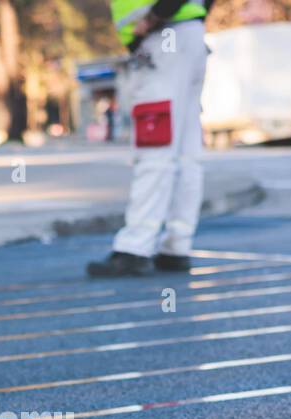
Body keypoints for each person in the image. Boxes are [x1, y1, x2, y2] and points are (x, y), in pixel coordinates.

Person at [88, 1, 213, 277]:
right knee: (186, 151)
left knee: (155, 146)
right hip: (187, 35)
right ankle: (177, 245)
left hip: (164, 38)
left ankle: (135, 248)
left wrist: (154, 17)